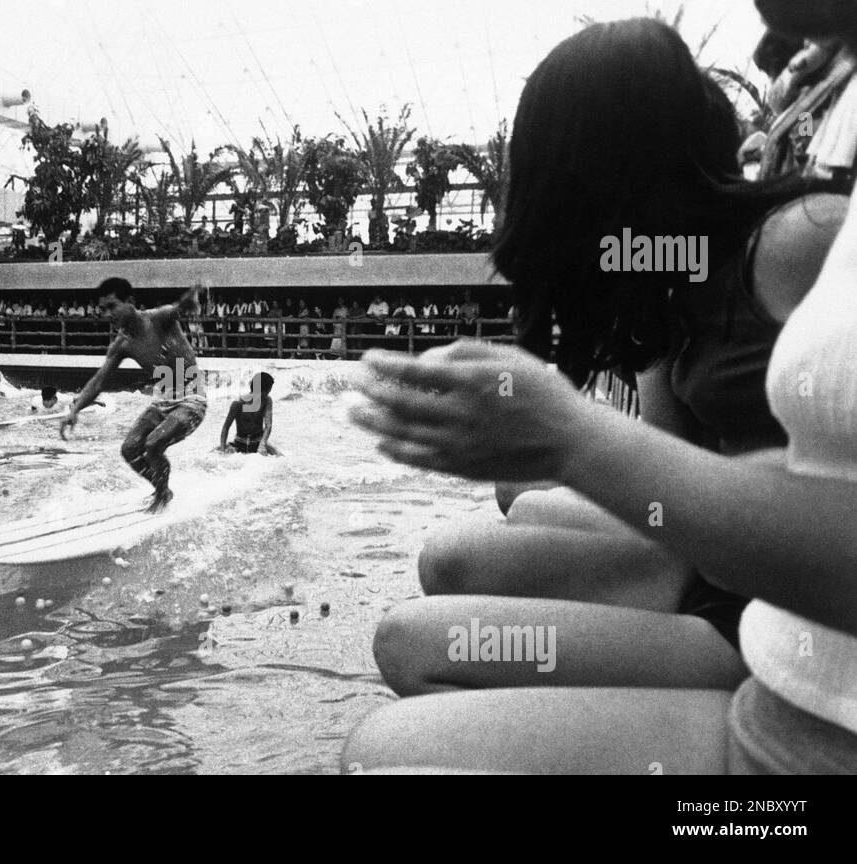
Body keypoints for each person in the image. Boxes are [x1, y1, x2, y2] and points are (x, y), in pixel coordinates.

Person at [363, 17, 850, 699]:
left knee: (413, 644)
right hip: (716, 565)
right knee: (452, 559)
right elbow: (662, 469)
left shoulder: (798, 241)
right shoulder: (675, 271)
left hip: (768, 615)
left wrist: (562, 434)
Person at [62, 277, 206, 512]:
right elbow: (99, 381)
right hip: (163, 399)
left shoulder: (158, 318)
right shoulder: (122, 344)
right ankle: (163, 490)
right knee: (129, 449)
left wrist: (190, 300)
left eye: (112, 307)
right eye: (102, 310)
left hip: (192, 398)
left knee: (153, 444)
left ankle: (160, 497)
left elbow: (180, 309)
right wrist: (75, 409)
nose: (108, 314)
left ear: (130, 302)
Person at [218, 372, 279, 455]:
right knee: (212, 455)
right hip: (239, 444)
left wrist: (262, 444)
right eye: (267, 392)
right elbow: (226, 427)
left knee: (282, 459)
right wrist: (222, 450)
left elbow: (268, 426)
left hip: (258, 443)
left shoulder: (267, 401)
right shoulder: (237, 404)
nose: (267, 394)